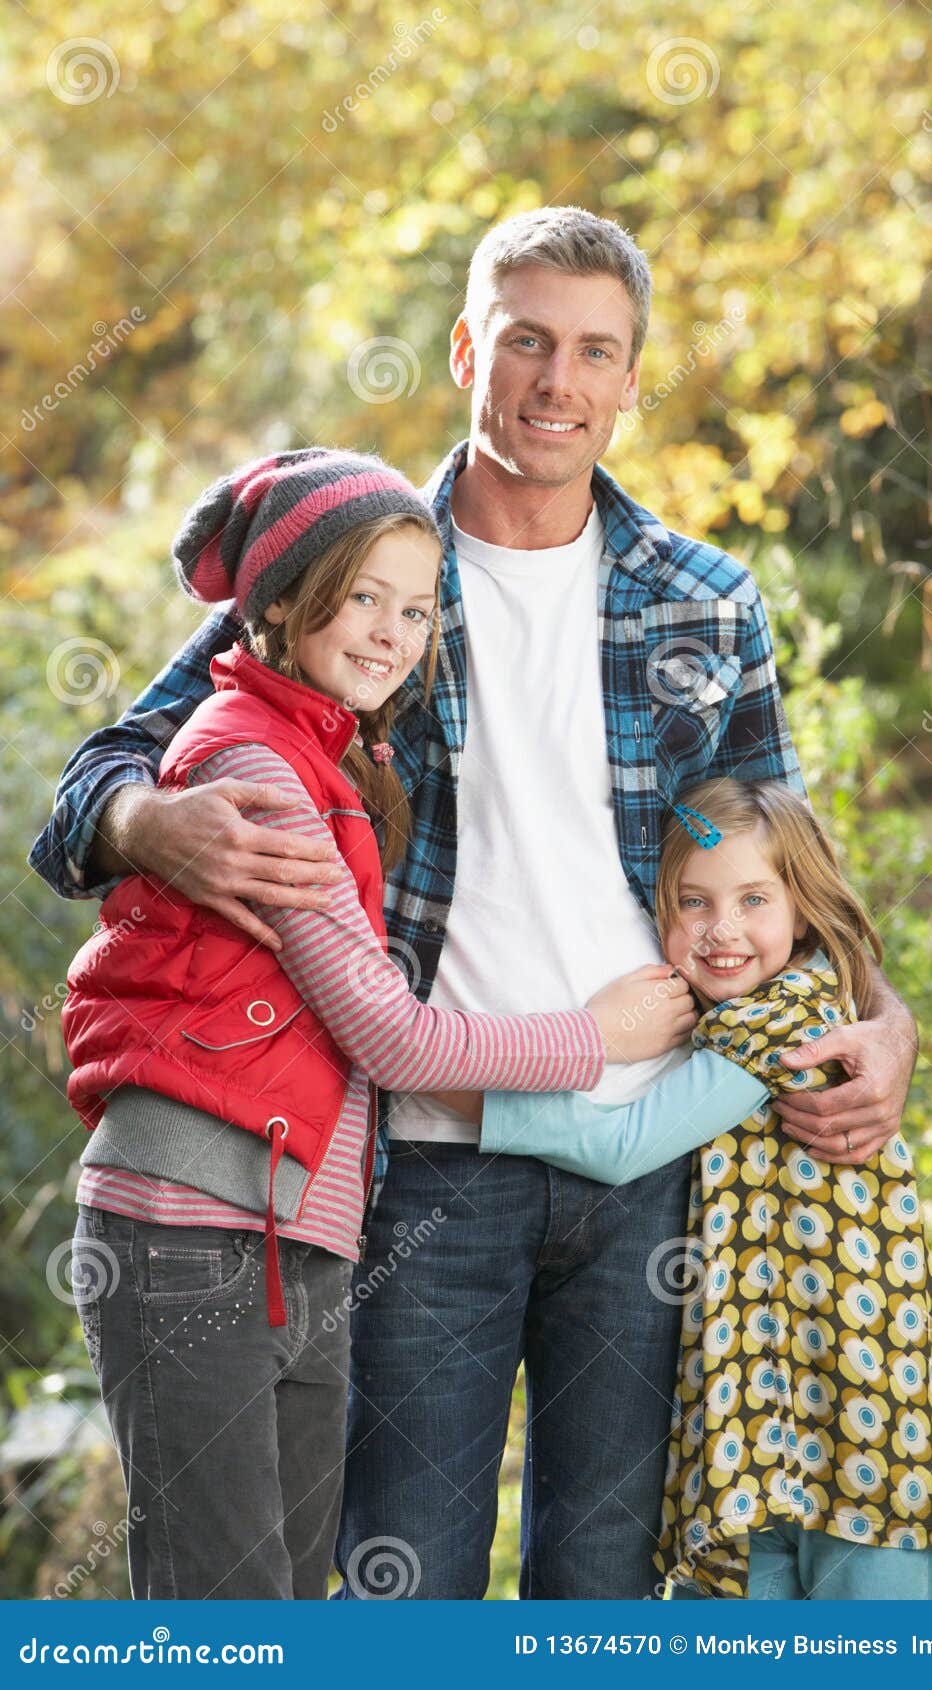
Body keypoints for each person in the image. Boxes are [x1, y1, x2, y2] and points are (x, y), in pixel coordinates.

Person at [31, 206, 919, 1600]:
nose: (555, 382)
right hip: (422, 1162)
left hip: (645, 1156)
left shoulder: (705, 601)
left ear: (631, 378)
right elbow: (100, 778)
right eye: (524, 342)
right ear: (465, 349)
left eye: (592, 352)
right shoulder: (359, 564)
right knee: (401, 1582)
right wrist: (154, 824)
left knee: (598, 1582)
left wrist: (887, 1017)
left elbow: (784, 868)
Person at [58, 447, 694, 1601]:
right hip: (191, 1222)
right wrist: (594, 1035)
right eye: (365, 600)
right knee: (227, 1619)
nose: (394, 633)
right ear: (287, 602)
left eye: (416, 610)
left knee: (298, 1610)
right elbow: (391, 1037)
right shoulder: (250, 760)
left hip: (292, 1234)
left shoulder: (329, 751)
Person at [474, 778, 932, 1601]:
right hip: (778, 1409)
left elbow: (621, 1144)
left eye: (752, 900)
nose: (721, 930)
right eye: (692, 902)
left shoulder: (782, 1021)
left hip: (851, 1411)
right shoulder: (739, 1016)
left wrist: (459, 1095)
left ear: (802, 909)